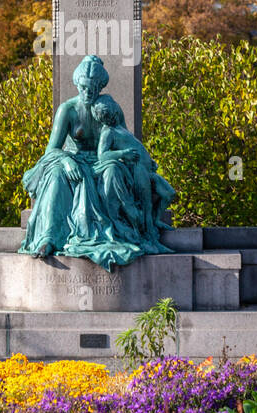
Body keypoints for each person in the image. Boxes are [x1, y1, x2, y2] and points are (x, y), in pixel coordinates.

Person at [18, 54, 173, 270]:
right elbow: (52, 149)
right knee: (55, 175)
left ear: (100, 86)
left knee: (113, 171)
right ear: (76, 83)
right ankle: (49, 238)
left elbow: (123, 140)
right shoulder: (68, 110)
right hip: (73, 160)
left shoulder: (109, 108)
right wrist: (66, 161)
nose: (87, 92)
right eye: (83, 87)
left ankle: (113, 229)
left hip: (104, 162)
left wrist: (133, 161)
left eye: (92, 88)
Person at [92, 96, 175, 245]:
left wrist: (149, 161)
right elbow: (102, 156)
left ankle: (156, 220)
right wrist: (122, 154)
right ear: (103, 119)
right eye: (108, 115)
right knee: (146, 203)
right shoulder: (108, 132)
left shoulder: (120, 127)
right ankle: (150, 232)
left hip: (146, 168)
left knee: (169, 194)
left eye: (112, 112)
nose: (113, 115)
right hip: (136, 169)